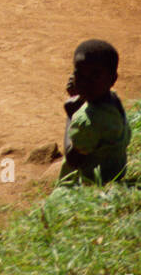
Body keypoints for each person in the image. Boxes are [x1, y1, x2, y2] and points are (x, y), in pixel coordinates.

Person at [56, 39, 131, 186]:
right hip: (114, 175)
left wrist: (71, 115)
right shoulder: (114, 99)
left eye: (95, 76)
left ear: (113, 79)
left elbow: (72, 160)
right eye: (80, 76)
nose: (85, 83)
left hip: (86, 187)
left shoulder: (87, 120)